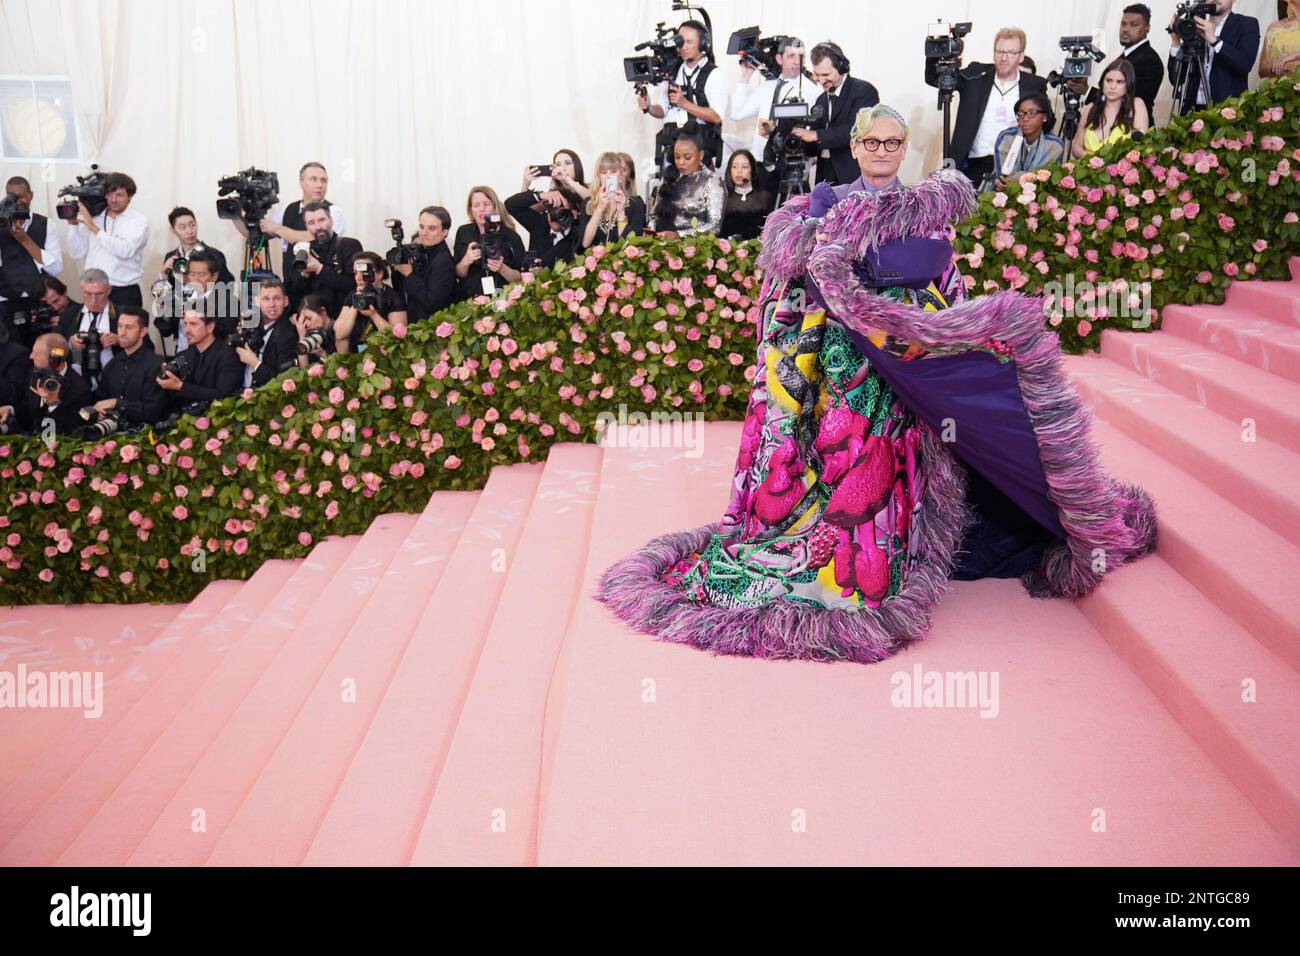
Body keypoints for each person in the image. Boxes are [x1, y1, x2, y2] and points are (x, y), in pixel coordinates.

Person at [595, 103, 1157, 663]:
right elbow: (802, 276)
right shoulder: (828, 203)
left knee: (911, 445)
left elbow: (948, 279)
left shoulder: (927, 206)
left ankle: (904, 543)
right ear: (856, 146)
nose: (883, 151)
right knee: (861, 449)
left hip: (915, 354)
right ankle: (859, 549)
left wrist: (954, 335)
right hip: (850, 356)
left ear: (903, 148)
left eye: (893, 143)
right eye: (874, 142)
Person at [926, 28, 1049, 184]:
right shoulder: (975, 75)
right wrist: (935, 47)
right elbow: (933, 78)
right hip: (974, 165)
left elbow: (1047, 122)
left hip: (1016, 167)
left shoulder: (1034, 84)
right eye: (999, 52)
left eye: (1010, 53)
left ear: (1021, 56)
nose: (1004, 58)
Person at [637, 20, 729, 169]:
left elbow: (716, 116)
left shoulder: (714, 74)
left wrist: (684, 104)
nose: (683, 47)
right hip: (673, 148)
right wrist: (649, 107)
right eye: (680, 42)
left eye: (689, 42)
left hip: (699, 150)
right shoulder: (672, 72)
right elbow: (664, 110)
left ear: (703, 43)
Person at [792, 42, 880, 185]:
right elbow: (814, 145)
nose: (821, 81)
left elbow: (856, 130)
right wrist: (790, 135)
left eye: (826, 74)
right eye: (817, 75)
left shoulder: (864, 91)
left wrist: (816, 135)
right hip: (825, 178)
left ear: (841, 67)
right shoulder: (821, 100)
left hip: (853, 177)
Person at [729, 36, 812, 178]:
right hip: (760, 164)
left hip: (791, 166)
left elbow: (811, 133)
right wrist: (745, 77)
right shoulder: (767, 87)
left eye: (801, 56)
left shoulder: (812, 91)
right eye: (791, 56)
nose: (797, 61)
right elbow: (736, 114)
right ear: (779, 59)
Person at [64, 171, 149, 309]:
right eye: (109, 194)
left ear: (130, 197)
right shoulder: (95, 217)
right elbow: (77, 254)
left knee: (126, 331)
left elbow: (125, 250)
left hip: (124, 292)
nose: (113, 199)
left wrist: (93, 227)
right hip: (94, 292)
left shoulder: (139, 221)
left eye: (119, 195)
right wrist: (73, 225)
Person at [1068, 5, 1165, 120]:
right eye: (1123, 24)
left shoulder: (1150, 61)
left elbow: (1127, 102)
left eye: (1133, 25)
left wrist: (1086, 90)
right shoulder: (1126, 56)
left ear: (1147, 28)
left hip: (1133, 132)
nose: (1125, 29)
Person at [0, 176, 63, 349]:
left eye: (21, 196)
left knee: (41, 351)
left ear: (31, 195)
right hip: (6, 301)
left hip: (38, 301)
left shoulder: (45, 224)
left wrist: (25, 240)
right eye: (11, 196)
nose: (17, 202)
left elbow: (56, 269)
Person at [1167, 0, 1261, 114]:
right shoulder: (1193, 26)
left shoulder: (1246, 24)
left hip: (1227, 112)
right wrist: (1175, 42)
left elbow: (1245, 64)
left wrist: (1214, 40)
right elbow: (1176, 80)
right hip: (1192, 111)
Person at [88, 306, 169, 428]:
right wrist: (100, 413)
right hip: (111, 432)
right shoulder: (112, 365)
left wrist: (116, 403)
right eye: (120, 326)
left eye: (129, 327)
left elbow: (153, 411)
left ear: (143, 332)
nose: (122, 332)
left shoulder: (156, 365)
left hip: (145, 435)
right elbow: (101, 400)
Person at [0, 333, 90, 436]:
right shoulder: (34, 374)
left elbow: (65, 432)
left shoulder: (80, 390)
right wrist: (11, 410)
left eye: (37, 353)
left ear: (54, 358)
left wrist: (53, 403)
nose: (31, 356)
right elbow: (28, 411)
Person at [283, 201, 363, 318]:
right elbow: (293, 292)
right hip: (310, 319)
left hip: (342, 317)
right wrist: (304, 274)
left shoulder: (349, 245)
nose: (318, 227)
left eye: (322, 220)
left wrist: (319, 269)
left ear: (331, 220)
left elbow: (353, 285)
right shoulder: (303, 249)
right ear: (306, 226)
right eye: (311, 223)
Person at [259, 162, 347, 265]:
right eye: (313, 179)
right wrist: (236, 215)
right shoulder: (288, 209)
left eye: (323, 180)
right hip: (290, 279)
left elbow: (319, 239)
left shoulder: (333, 211)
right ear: (301, 182)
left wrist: (278, 229)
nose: (319, 185)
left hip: (323, 278)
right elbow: (259, 234)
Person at [452, 186, 525, 302]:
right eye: (476, 205)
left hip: (502, 300)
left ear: (495, 207)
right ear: (471, 210)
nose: (481, 209)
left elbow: (520, 277)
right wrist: (466, 260)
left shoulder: (510, 236)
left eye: (486, 204)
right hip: (470, 300)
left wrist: (502, 268)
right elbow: (458, 273)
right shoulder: (463, 232)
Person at [157, 309, 243, 406]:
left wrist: (181, 386)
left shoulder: (228, 356)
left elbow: (224, 397)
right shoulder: (183, 355)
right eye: (185, 324)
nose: (187, 330)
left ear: (210, 327)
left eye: (193, 324)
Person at [648, 132, 725, 238]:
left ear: (701, 155)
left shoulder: (712, 181)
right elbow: (654, 215)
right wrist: (653, 230)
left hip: (697, 247)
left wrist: (679, 235)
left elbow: (714, 226)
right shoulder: (669, 176)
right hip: (663, 241)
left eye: (687, 157)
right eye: (677, 157)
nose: (681, 162)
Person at [1071, 59, 1150, 159]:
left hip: (1121, 172)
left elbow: (1141, 147)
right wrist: (1093, 160)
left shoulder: (1136, 105)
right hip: (1086, 169)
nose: (1112, 86)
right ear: (1102, 82)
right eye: (1108, 80)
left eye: (1119, 82)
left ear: (1128, 84)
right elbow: (1076, 148)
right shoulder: (1090, 108)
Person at [332, 252, 409, 352]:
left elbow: (398, 337)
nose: (359, 277)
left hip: (384, 356)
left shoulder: (393, 297)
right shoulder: (352, 295)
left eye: (364, 272)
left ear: (380, 273)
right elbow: (340, 334)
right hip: (356, 355)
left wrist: (374, 315)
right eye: (356, 273)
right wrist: (358, 302)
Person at [992, 93, 1067, 189]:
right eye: (1020, 114)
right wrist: (1031, 177)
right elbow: (1003, 178)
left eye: (1032, 113)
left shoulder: (1054, 145)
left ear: (1045, 117)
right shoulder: (1006, 138)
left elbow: (1045, 182)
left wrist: (1017, 178)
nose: (1025, 119)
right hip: (1004, 196)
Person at [394, 206, 456, 320]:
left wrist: (409, 275)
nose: (424, 233)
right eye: (422, 227)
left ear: (444, 232)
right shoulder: (424, 252)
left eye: (431, 228)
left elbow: (433, 302)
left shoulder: (443, 261)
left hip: (432, 329)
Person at [505, 185, 586, 272]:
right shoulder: (539, 224)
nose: (555, 214)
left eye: (561, 208)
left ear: (573, 213)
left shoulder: (579, 236)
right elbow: (510, 205)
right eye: (552, 208)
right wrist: (540, 195)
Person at [237, 279, 300, 388]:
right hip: (239, 391)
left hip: (265, 397)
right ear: (257, 302)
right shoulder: (250, 325)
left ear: (286, 301)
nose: (272, 304)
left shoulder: (288, 335)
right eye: (266, 299)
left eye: (277, 298)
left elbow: (283, 382)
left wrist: (255, 363)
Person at [63, 269, 118, 387]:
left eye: (99, 294)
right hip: (78, 381)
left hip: (115, 381)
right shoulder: (70, 314)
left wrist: (120, 340)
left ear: (109, 290)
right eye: (87, 294)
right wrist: (70, 342)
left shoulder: (123, 315)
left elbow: (147, 346)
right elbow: (55, 343)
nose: (93, 300)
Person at [582, 152, 648, 248]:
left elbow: (632, 245)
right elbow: (585, 243)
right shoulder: (588, 203)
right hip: (593, 260)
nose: (608, 176)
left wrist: (621, 213)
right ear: (599, 177)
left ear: (621, 176)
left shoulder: (636, 204)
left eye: (613, 171)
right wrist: (599, 209)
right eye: (604, 172)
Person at [159, 206, 235, 287]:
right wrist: (164, 273)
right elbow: (165, 293)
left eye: (192, 225)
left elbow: (227, 286)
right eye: (182, 227)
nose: (189, 231)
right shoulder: (171, 257)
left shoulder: (214, 255)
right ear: (173, 230)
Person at [719, 149, 774, 240]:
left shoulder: (764, 196)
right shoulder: (723, 196)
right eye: (734, 167)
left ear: (752, 169)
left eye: (744, 167)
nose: (739, 171)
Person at [292, 295, 336, 369]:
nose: (307, 324)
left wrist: (323, 354)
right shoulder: (310, 335)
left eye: (309, 318)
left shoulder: (338, 331)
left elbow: (342, 368)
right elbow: (304, 369)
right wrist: (302, 336)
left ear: (323, 311)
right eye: (304, 320)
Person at [1259, 0, 1300, 77]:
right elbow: (1262, 70)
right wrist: (1284, 67)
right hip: (1277, 87)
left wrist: (1290, 59)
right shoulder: (1274, 28)